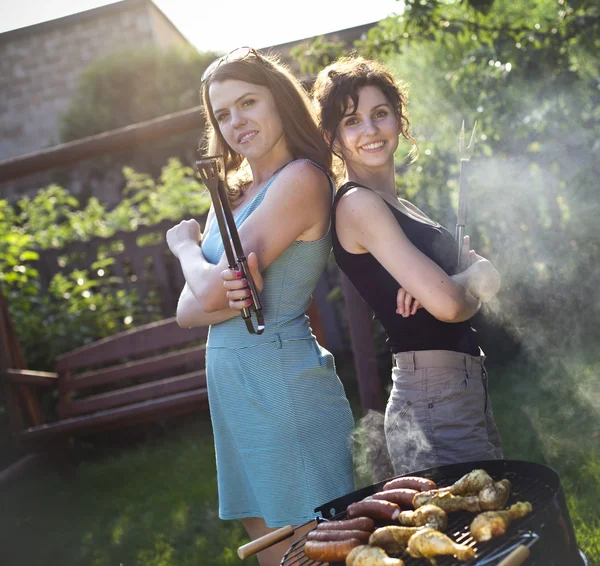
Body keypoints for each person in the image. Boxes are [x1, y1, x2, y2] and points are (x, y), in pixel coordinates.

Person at [165, 47, 355, 566]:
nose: (235, 122)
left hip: (282, 383)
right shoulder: (230, 192)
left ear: (280, 101)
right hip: (233, 386)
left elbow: (205, 294)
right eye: (222, 114)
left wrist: (183, 247)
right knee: (274, 554)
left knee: (319, 552)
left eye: (247, 102)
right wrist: (207, 286)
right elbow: (189, 310)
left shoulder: (301, 180)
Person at [310, 55, 503, 475]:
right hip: (434, 394)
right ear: (333, 138)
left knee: (492, 516)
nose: (371, 130)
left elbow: (484, 279)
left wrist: (463, 279)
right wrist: (466, 280)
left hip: (460, 384)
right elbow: (453, 305)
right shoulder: (358, 204)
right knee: (468, 530)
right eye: (352, 121)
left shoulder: (402, 206)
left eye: (380, 114)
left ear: (399, 119)